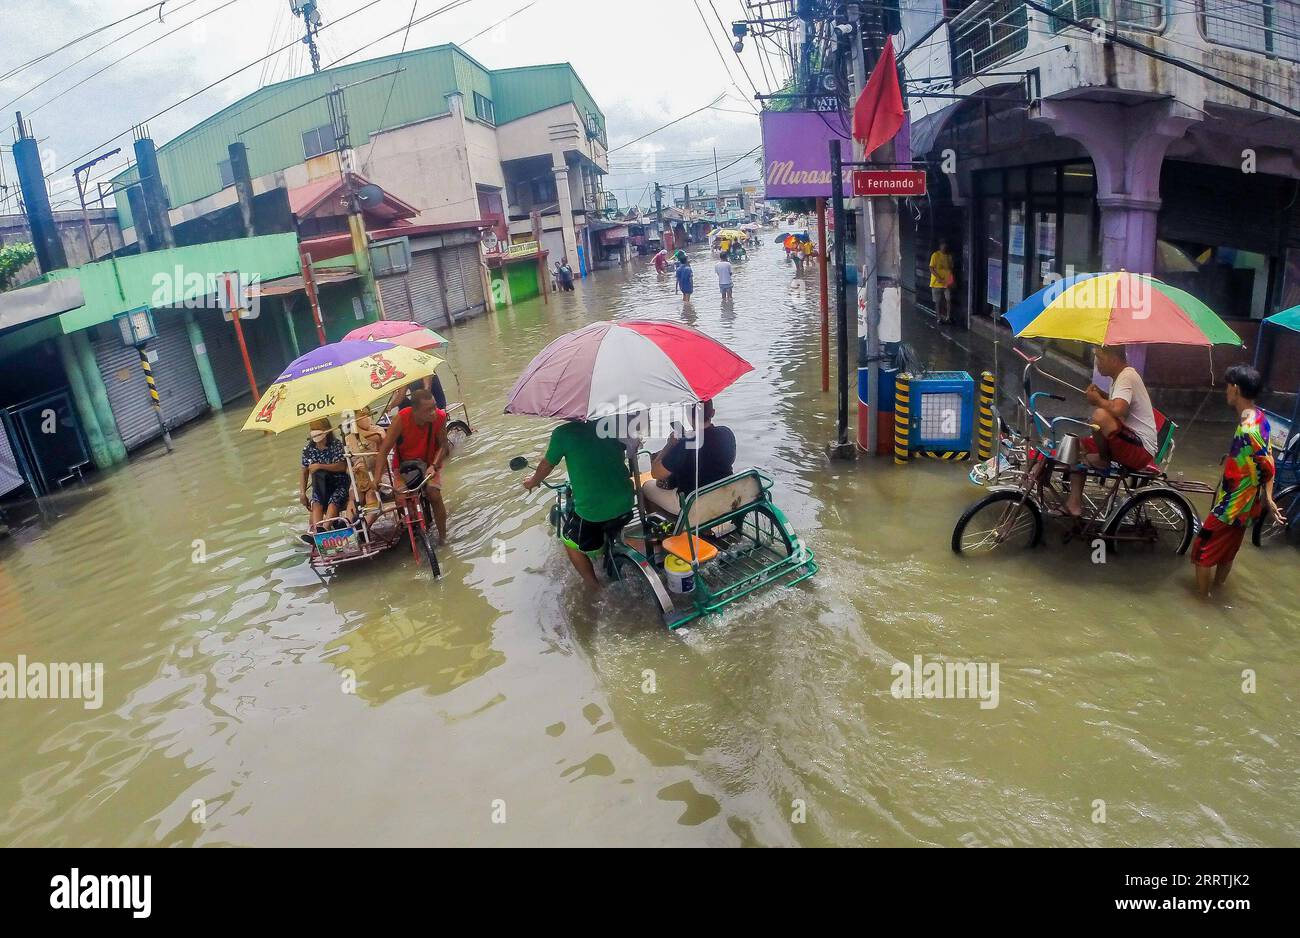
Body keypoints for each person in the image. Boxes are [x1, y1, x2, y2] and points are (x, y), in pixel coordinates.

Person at [1192, 365, 1284, 598]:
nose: (1225, 391)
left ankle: (1202, 602)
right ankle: (1218, 591)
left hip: (1234, 503)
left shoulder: (1248, 428)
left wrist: (1269, 498)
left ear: (1235, 389)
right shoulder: (1258, 417)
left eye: (1227, 386)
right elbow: (1262, 455)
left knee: (1202, 549)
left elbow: (1268, 465)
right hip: (1245, 503)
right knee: (1227, 550)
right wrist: (1234, 457)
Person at [522, 420, 634, 589]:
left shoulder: (563, 433)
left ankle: (593, 586)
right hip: (626, 502)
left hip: (594, 512)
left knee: (568, 541)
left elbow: (547, 465)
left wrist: (532, 482)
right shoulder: (613, 425)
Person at [1066, 346, 1159, 516]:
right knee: (1077, 446)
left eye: (1100, 358)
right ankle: (1074, 503)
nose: (1097, 363)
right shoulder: (1120, 377)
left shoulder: (1127, 376)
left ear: (1114, 360)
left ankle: (1104, 459)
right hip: (1129, 440)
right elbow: (1117, 402)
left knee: (1099, 416)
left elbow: (1118, 410)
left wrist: (1098, 401)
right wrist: (1101, 395)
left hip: (1141, 449)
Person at [374, 389, 449, 542]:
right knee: (401, 498)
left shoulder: (440, 417)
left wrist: (434, 466)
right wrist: (376, 479)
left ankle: (443, 538)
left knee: (434, 494)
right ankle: (411, 527)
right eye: (428, 410)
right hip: (403, 466)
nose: (433, 412)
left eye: (434, 407)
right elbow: (384, 450)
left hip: (430, 463)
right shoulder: (401, 419)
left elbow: (443, 445)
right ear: (415, 411)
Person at [640, 399, 736, 517]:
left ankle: (668, 528)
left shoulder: (684, 444)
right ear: (712, 413)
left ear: (688, 416)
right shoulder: (726, 433)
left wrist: (670, 444)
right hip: (727, 495)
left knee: (646, 487)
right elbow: (728, 459)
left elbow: (656, 473)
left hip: (694, 504)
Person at [300, 418, 354, 534]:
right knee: (316, 501)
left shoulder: (336, 445)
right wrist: (302, 493)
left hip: (339, 484)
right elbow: (304, 472)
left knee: (333, 500)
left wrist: (320, 466)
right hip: (320, 486)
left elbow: (341, 466)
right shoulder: (308, 450)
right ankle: (316, 532)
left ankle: (326, 528)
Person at [344, 406, 386, 511]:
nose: (366, 417)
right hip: (360, 478)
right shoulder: (348, 438)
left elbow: (379, 439)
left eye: (367, 414)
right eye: (362, 415)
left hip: (379, 473)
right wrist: (352, 471)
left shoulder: (378, 430)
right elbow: (348, 466)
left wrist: (359, 431)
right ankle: (352, 524)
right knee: (354, 496)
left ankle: (367, 523)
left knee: (370, 494)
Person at [929, 239, 956, 323]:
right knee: (938, 301)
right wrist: (938, 277)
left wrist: (952, 281)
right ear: (940, 246)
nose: (944, 247)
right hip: (936, 283)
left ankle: (948, 317)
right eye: (943, 245)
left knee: (948, 300)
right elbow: (931, 268)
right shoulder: (935, 255)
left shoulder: (949, 256)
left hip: (946, 283)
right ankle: (939, 318)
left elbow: (951, 269)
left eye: (946, 245)